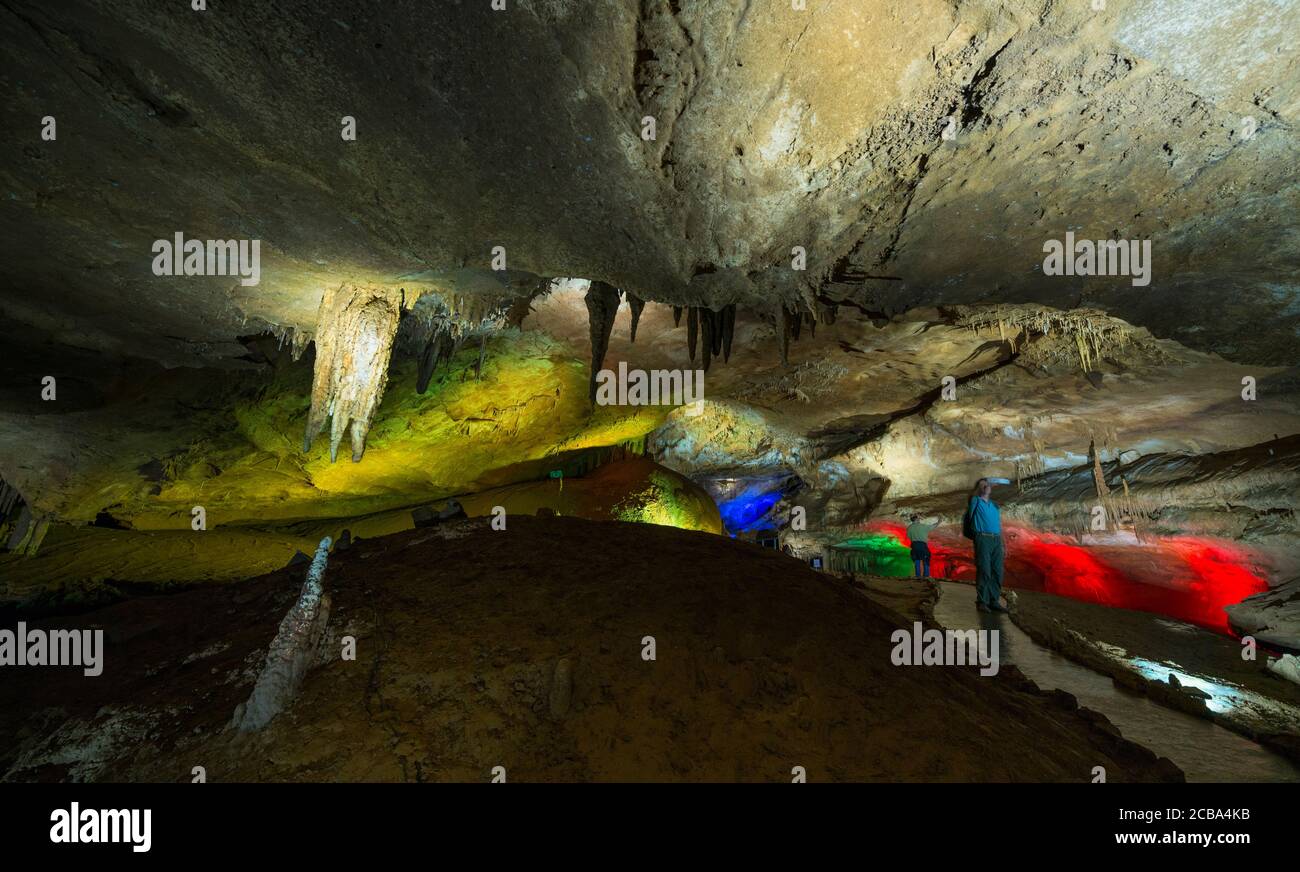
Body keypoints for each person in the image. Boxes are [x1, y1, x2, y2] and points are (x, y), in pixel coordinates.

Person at [966, 478, 1007, 613]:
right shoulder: (975, 501)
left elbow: (998, 524)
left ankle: (993, 600)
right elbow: (972, 496)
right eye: (982, 485)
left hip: (996, 539)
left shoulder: (994, 506)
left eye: (987, 485)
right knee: (985, 569)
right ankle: (982, 601)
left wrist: (1003, 543)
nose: (985, 487)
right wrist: (983, 486)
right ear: (979, 489)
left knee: (997, 571)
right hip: (982, 537)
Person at [905, 514, 939, 578]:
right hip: (922, 545)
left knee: (916, 559)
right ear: (917, 519)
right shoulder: (922, 526)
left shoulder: (909, 528)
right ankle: (926, 575)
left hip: (914, 545)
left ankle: (918, 575)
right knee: (926, 558)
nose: (919, 519)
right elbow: (933, 526)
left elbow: (908, 536)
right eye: (918, 518)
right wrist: (939, 521)